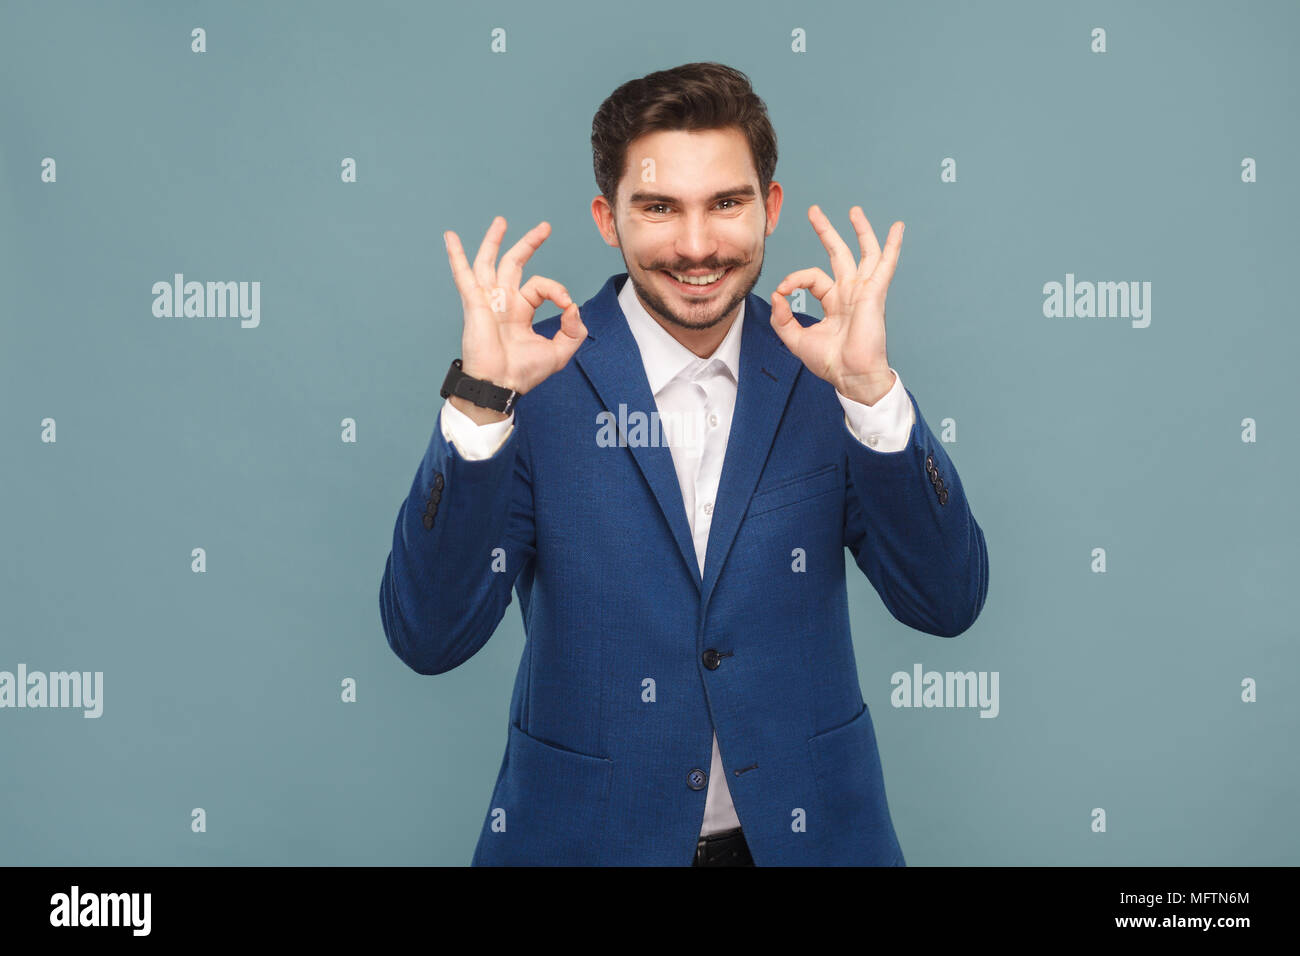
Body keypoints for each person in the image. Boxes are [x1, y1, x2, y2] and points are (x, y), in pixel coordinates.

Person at [379, 61, 989, 866]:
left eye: (726, 204)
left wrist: (872, 393)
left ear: (769, 208)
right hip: (589, 843)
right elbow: (430, 637)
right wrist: (482, 402)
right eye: (660, 208)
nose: (696, 245)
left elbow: (945, 602)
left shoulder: (826, 370)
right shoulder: (535, 377)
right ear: (609, 218)